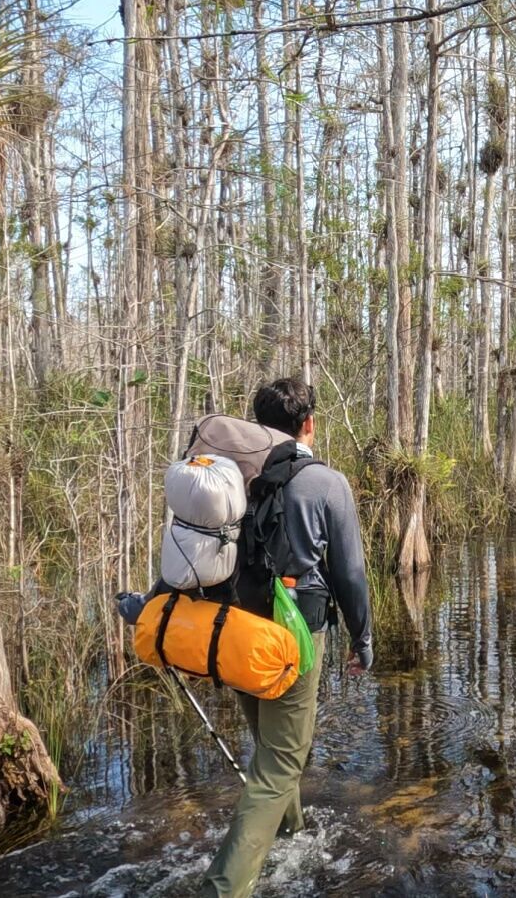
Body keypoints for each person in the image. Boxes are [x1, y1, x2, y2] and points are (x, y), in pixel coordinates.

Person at [200, 377, 373, 898]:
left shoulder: (232, 475)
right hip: (293, 635)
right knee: (279, 764)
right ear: (309, 424)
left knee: (272, 746)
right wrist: (362, 638)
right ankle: (223, 888)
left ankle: (291, 835)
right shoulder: (326, 482)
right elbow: (350, 573)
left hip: (234, 628)